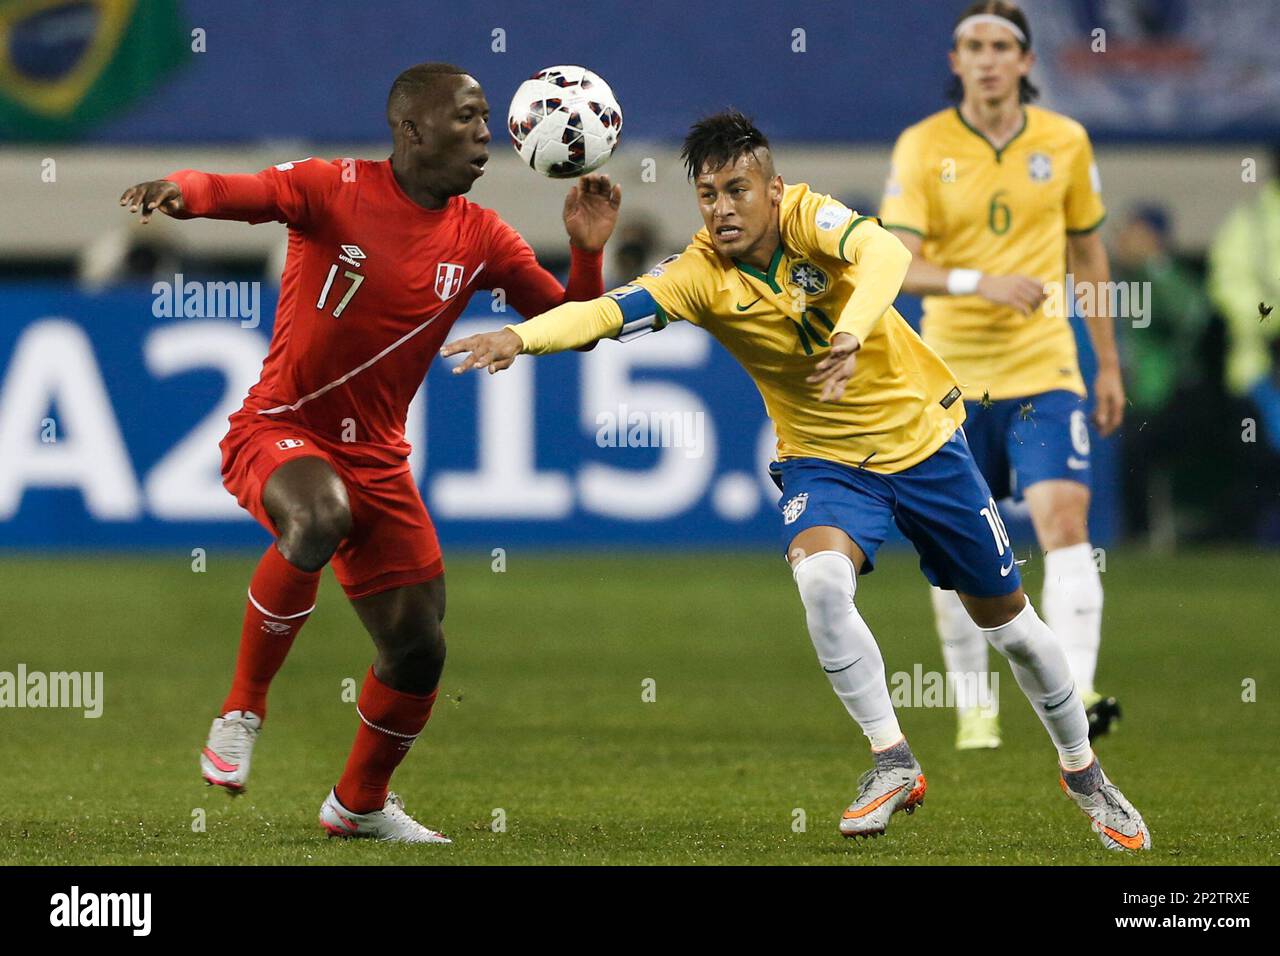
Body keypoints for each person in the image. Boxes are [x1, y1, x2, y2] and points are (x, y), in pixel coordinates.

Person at [442, 111, 1150, 851]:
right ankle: (892, 760)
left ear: (774, 190)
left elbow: (884, 257)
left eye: (737, 190)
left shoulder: (813, 218)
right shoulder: (699, 277)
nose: (721, 208)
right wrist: (517, 338)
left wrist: (848, 334)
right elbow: (604, 315)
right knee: (820, 585)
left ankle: (1083, 772)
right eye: (708, 194)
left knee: (1015, 631)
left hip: (927, 447)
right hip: (824, 460)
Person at [117, 62, 621, 843]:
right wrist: (178, 189)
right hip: (279, 429)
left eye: (488, 116)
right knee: (316, 516)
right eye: (466, 116)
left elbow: (571, 325)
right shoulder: (332, 188)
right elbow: (238, 191)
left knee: (418, 649)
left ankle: (356, 806)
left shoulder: (482, 236)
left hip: (379, 461)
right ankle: (243, 707)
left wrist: (585, 254)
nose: (488, 132)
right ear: (412, 129)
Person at [878, 1, 1123, 750]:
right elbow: (895, 262)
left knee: (1064, 522)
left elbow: (1088, 254)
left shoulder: (1066, 142)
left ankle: (1076, 689)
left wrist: (1107, 361)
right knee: (960, 551)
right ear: (956, 62)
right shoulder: (922, 146)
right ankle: (975, 710)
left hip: (1044, 368)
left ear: (1024, 62)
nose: (985, 59)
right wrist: (977, 283)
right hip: (949, 377)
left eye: (999, 46)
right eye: (971, 46)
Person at [1207, 143, 1280, 543]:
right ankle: (1267, 533)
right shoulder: (1251, 220)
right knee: (1267, 456)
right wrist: (1279, 324)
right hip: (1262, 367)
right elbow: (1229, 284)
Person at [1112, 206, 1211, 545]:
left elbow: (1191, 317)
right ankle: (1129, 531)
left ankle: (1144, 533)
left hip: (1170, 395)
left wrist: (1153, 263)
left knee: (1138, 444)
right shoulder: (1117, 280)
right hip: (1127, 395)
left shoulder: (1169, 277)